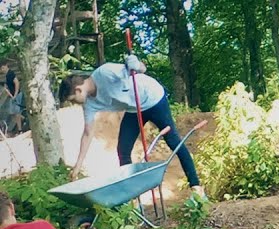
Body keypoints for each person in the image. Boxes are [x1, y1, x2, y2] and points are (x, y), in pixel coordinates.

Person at [59, 56, 204, 198]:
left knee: (173, 141)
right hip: (133, 110)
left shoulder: (105, 72)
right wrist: (78, 164)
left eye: (72, 100)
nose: (74, 104)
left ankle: (196, 187)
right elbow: (87, 133)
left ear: (78, 90)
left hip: (153, 99)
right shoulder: (89, 104)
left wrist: (135, 64)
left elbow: (142, 68)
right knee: (123, 150)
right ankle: (131, 196)